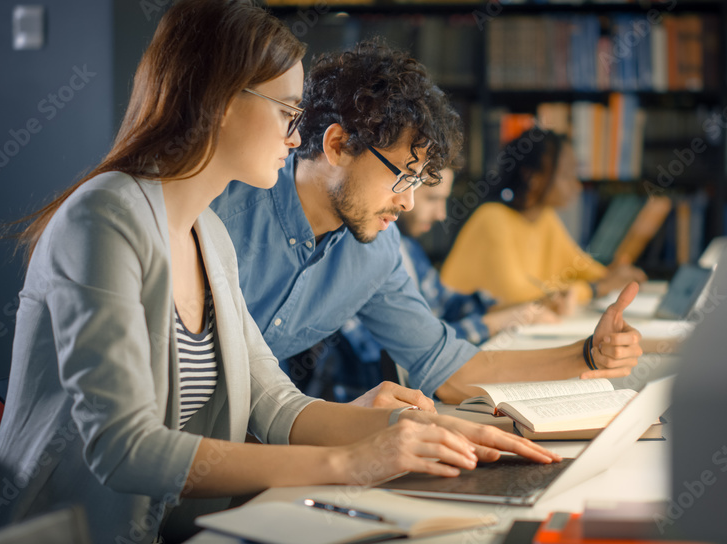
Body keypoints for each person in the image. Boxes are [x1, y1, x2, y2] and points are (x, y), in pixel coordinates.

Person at [0, 3, 558, 544]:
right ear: (221, 100)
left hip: (169, 542)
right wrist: (351, 462)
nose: (298, 137)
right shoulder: (106, 217)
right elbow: (124, 448)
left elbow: (278, 405)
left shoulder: (208, 238)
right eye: (288, 114)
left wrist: (428, 429)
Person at [211, 40, 645, 407]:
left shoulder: (377, 250)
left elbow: (449, 369)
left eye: (418, 182)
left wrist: (589, 354)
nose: (408, 202)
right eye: (401, 175)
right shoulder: (221, 209)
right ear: (338, 144)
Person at [326, 167, 564, 401]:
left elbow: (446, 304)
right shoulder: (358, 251)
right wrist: (491, 324)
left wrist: (517, 310)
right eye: (432, 198)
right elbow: (390, 350)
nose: (442, 214)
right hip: (360, 409)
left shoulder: (408, 249)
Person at [441, 127, 647, 308]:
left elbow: (578, 267)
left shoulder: (544, 218)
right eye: (567, 175)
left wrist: (615, 275)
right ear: (532, 177)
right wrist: (595, 288)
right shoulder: (492, 219)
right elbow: (518, 298)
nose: (576, 186)